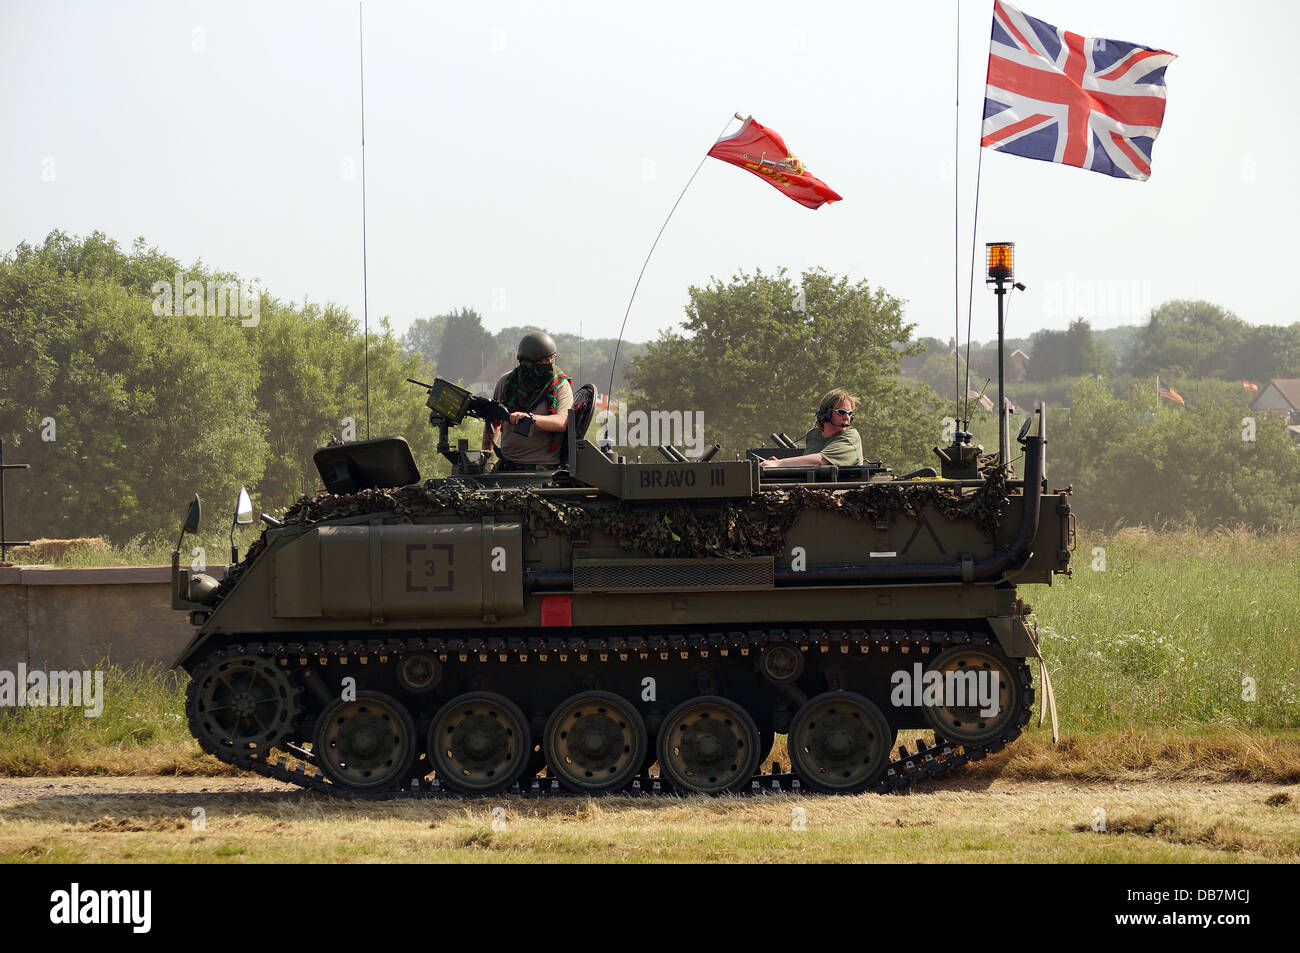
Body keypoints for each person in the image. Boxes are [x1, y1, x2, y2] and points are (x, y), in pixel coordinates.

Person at [482, 331, 574, 467]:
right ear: (526, 363)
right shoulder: (506, 382)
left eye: (551, 359)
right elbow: (493, 421)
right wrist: (486, 456)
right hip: (507, 464)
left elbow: (562, 422)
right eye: (543, 361)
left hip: (543, 469)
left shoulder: (559, 385)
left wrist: (531, 418)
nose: (549, 364)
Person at [760, 388, 863, 468]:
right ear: (826, 414)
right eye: (841, 412)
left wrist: (779, 464)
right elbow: (808, 465)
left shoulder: (850, 437)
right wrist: (782, 464)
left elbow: (821, 462)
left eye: (850, 413)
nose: (847, 417)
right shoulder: (813, 435)